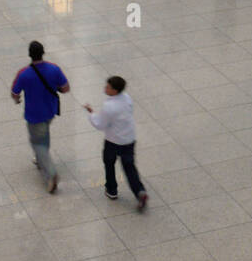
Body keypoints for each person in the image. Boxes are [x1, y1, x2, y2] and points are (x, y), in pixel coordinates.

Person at [10, 41, 70, 194]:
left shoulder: (24, 73)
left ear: (29, 55)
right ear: (43, 52)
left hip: (34, 114)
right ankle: (40, 160)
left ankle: (51, 173)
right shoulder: (54, 68)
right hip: (50, 111)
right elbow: (65, 88)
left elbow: (15, 93)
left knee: (37, 142)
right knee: (44, 134)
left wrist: (17, 100)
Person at [84, 75, 148, 210]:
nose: (105, 88)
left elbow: (99, 124)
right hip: (129, 139)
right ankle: (139, 192)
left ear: (115, 90)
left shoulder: (109, 106)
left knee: (109, 163)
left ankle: (112, 190)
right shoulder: (127, 98)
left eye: (108, 87)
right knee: (129, 168)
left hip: (113, 141)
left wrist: (91, 113)